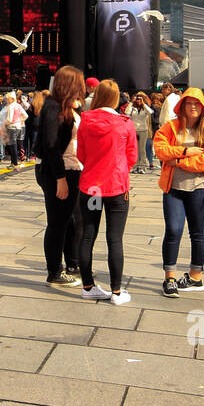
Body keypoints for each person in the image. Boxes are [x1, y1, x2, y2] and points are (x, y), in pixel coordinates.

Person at [153, 87, 204, 298]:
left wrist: (177, 162)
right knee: (173, 230)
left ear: (203, 108)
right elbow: (160, 149)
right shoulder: (170, 127)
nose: (193, 107)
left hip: (200, 189)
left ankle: (195, 277)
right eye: (189, 103)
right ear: (181, 106)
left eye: (197, 103)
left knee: (197, 232)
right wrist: (185, 151)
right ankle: (169, 278)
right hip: (174, 188)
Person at [76, 79, 136, 304]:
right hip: (117, 187)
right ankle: (117, 292)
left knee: (87, 235)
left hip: (91, 187)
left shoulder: (85, 121)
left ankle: (88, 286)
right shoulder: (124, 123)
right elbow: (132, 157)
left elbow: (81, 155)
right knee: (115, 239)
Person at [34, 65, 86, 287]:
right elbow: (51, 146)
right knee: (58, 222)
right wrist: (60, 179)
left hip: (73, 169)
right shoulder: (53, 108)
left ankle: (72, 263)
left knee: (73, 220)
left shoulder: (68, 108)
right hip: (59, 170)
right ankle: (54, 271)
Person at [127, 92, 155, 173]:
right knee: (135, 149)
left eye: (140, 99)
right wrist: (131, 103)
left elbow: (150, 112)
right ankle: (135, 165)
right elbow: (127, 112)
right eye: (137, 99)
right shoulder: (132, 108)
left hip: (143, 130)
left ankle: (142, 166)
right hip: (134, 130)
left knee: (142, 149)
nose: (138, 100)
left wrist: (143, 104)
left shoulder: (144, 108)